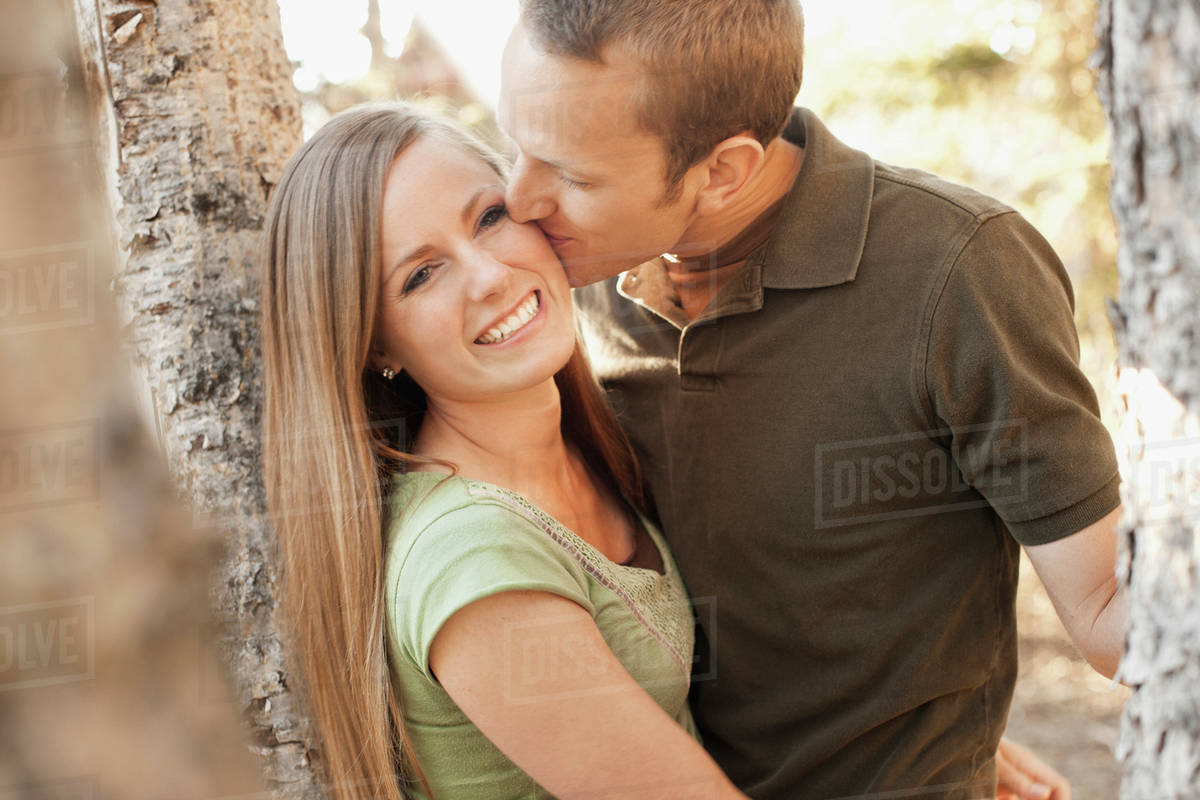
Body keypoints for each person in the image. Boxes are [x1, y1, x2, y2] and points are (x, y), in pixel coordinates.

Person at [497, 1, 1127, 798]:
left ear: (723, 171)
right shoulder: (555, 284)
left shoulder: (957, 271)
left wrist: (939, 733)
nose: (517, 200)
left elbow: (1110, 612)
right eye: (511, 143)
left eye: (572, 174)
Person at [259, 104, 754, 799]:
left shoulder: (589, 449)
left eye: (489, 217)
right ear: (374, 345)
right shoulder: (475, 558)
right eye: (420, 275)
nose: (488, 276)